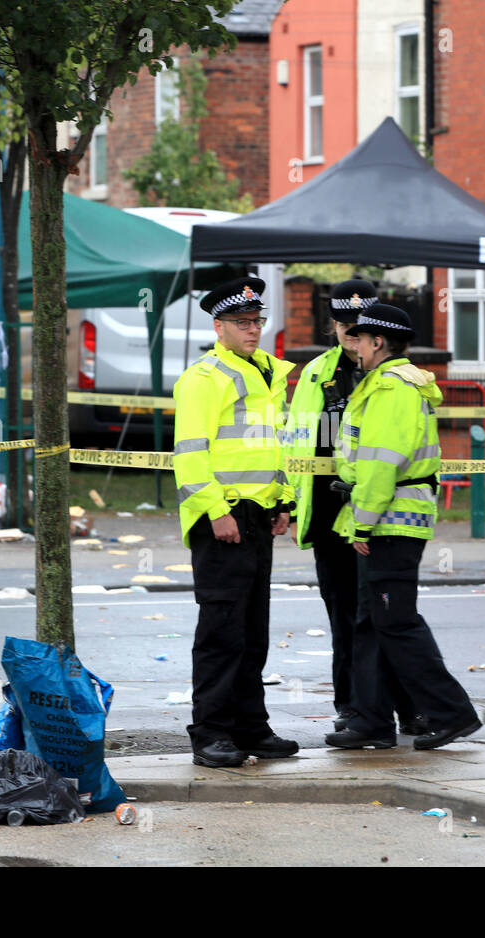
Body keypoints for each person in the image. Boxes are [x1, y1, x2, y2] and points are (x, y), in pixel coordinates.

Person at [323, 303, 481, 751]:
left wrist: (364, 525)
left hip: (389, 522)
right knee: (371, 623)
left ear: (379, 343)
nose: (353, 347)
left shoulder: (391, 389)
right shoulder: (385, 383)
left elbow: (380, 464)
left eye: (360, 339)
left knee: (397, 622)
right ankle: (371, 720)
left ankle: (452, 713)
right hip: (386, 519)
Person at [172, 275, 300, 768]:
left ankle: (250, 727)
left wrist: (284, 499)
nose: (253, 330)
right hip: (221, 516)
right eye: (242, 323)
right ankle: (210, 733)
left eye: (257, 321)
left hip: (259, 514)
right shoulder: (205, 378)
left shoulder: (267, 373)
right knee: (222, 631)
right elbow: (189, 453)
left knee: (252, 630)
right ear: (218, 325)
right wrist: (216, 510)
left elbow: (274, 444)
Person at [286, 279, 423, 735]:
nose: (350, 332)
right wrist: (288, 500)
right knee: (345, 617)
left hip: (374, 509)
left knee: (381, 617)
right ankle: (355, 707)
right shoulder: (314, 373)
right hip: (328, 509)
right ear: (333, 324)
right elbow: (295, 439)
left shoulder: (389, 371)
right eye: (344, 323)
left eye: (358, 325)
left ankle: (399, 709)